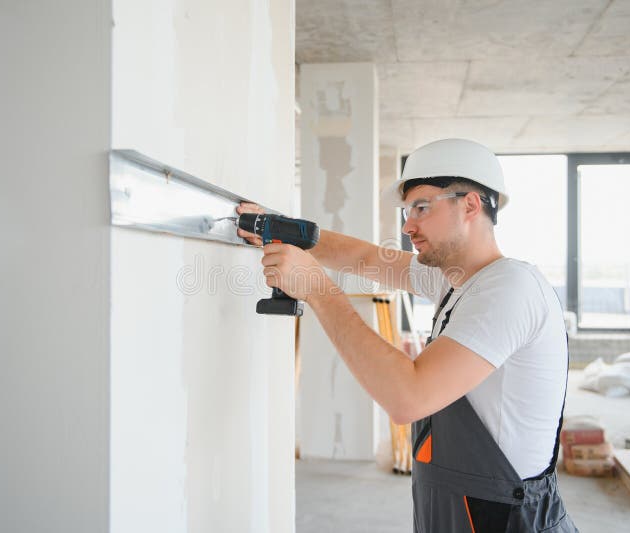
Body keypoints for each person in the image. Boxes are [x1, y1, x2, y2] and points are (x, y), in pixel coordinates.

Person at [238, 138, 577, 532]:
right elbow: (365, 259)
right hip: (460, 511)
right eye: (407, 210)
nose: (407, 225)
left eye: (421, 207)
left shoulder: (509, 289)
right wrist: (279, 229)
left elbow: (408, 398)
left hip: (504, 520)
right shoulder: (456, 279)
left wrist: (316, 287)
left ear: (470, 204)